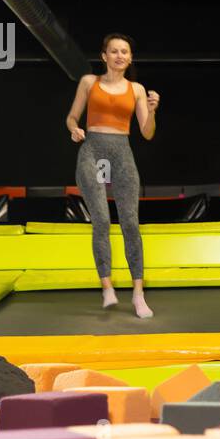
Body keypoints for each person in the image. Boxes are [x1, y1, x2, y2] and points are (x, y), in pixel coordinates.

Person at [64, 33, 160, 318]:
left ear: (130, 58)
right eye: (114, 51)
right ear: (104, 56)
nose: (120, 55)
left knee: (130, 222)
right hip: (92, 150)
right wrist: (74, 128)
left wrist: (153, 112)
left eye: (125, 52)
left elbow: (147, 132)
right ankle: (107, 285)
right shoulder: (88, 83)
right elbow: (71, 116)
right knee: (102, 220)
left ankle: (138, 294)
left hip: (122, 152)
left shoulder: (138, 90)